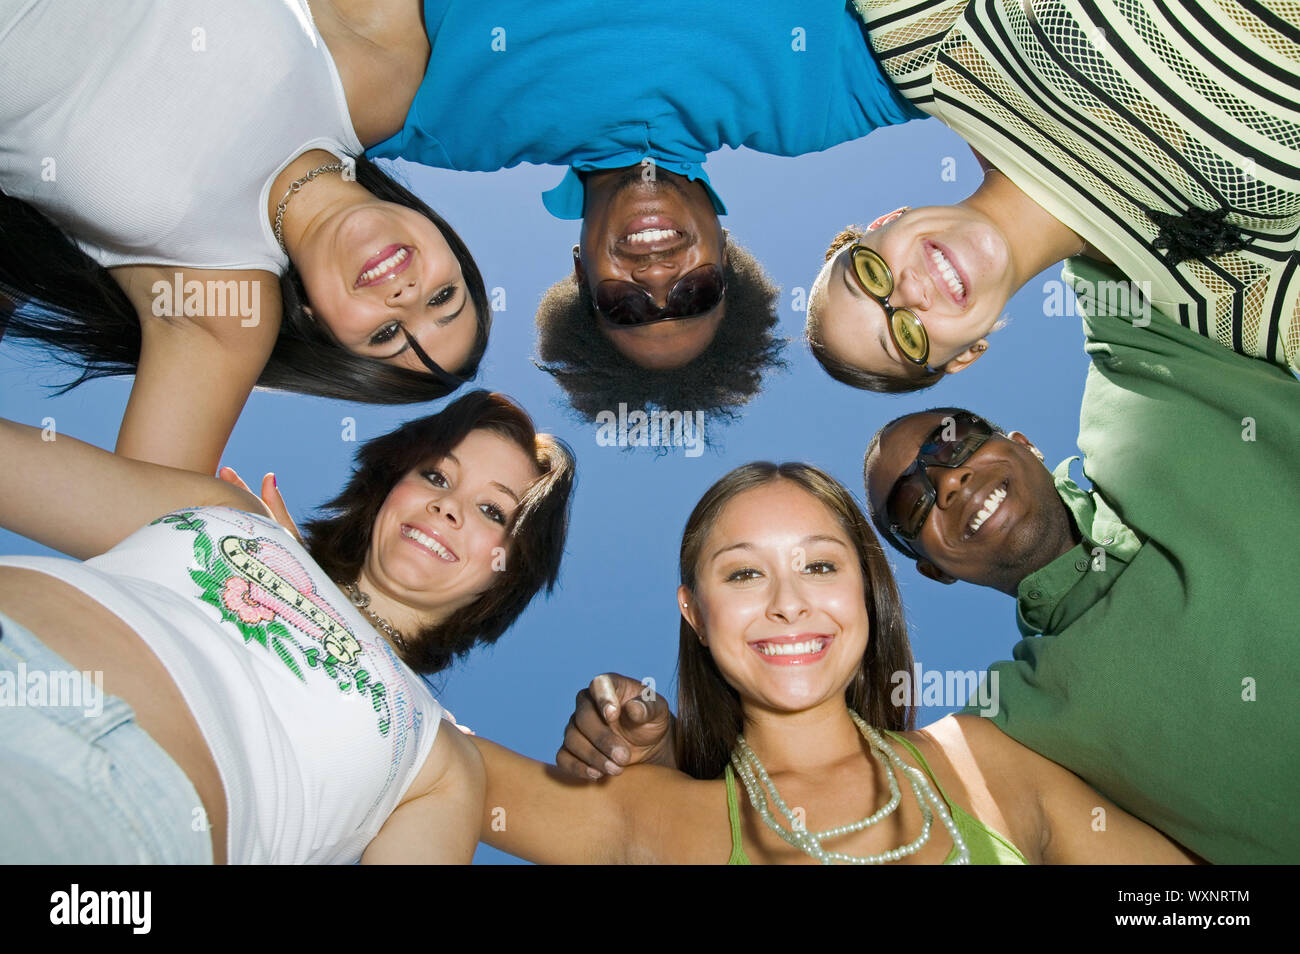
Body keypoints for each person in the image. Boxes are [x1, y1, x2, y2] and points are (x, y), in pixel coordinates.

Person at [470, 462, 1195, 864]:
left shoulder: (984, 763)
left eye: (819, 566)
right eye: (744, 574)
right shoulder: (654, 819)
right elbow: (423, 752)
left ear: (868, 593)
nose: (788, 603)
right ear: (695, 613)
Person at [844, 257, 1298, 862]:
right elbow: (849, 803)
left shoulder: (1141, 383)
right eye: (912, 502)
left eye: (950, 440)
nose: (947, 483)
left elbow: (1093, 211)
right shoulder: (1015, 730)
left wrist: (920, 262)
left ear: (1022, 443)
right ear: (935, 568)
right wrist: (673, 772)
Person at [0, 390, 574, 863]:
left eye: (493, 511)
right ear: (388, 486)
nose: (448, 507)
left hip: (112, 815)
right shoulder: (224, 507)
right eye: (435, 475)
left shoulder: (442, 760)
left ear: (506, 576)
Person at [367, 0, 922, 421]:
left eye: (626, 307)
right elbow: (980, 59)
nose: (657, 277)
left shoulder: (445, 124)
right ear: (725, 254)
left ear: (582, 271)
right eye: (694, 295)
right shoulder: (821, 103)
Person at [0, 0, 489, 474]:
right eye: (443, 296)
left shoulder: (224, 308)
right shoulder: (385, 79)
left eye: (386, 335)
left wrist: (256, 543)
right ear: (449, 243)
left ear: (321, 326)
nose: (406, 298)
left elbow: (142, 521)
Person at [806, 0, 1300, 392]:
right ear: (965, 355)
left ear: (886, 220)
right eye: (906, 335)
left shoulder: (928, 46)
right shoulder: (1229, 300)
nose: (911, 293)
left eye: (872, 276)